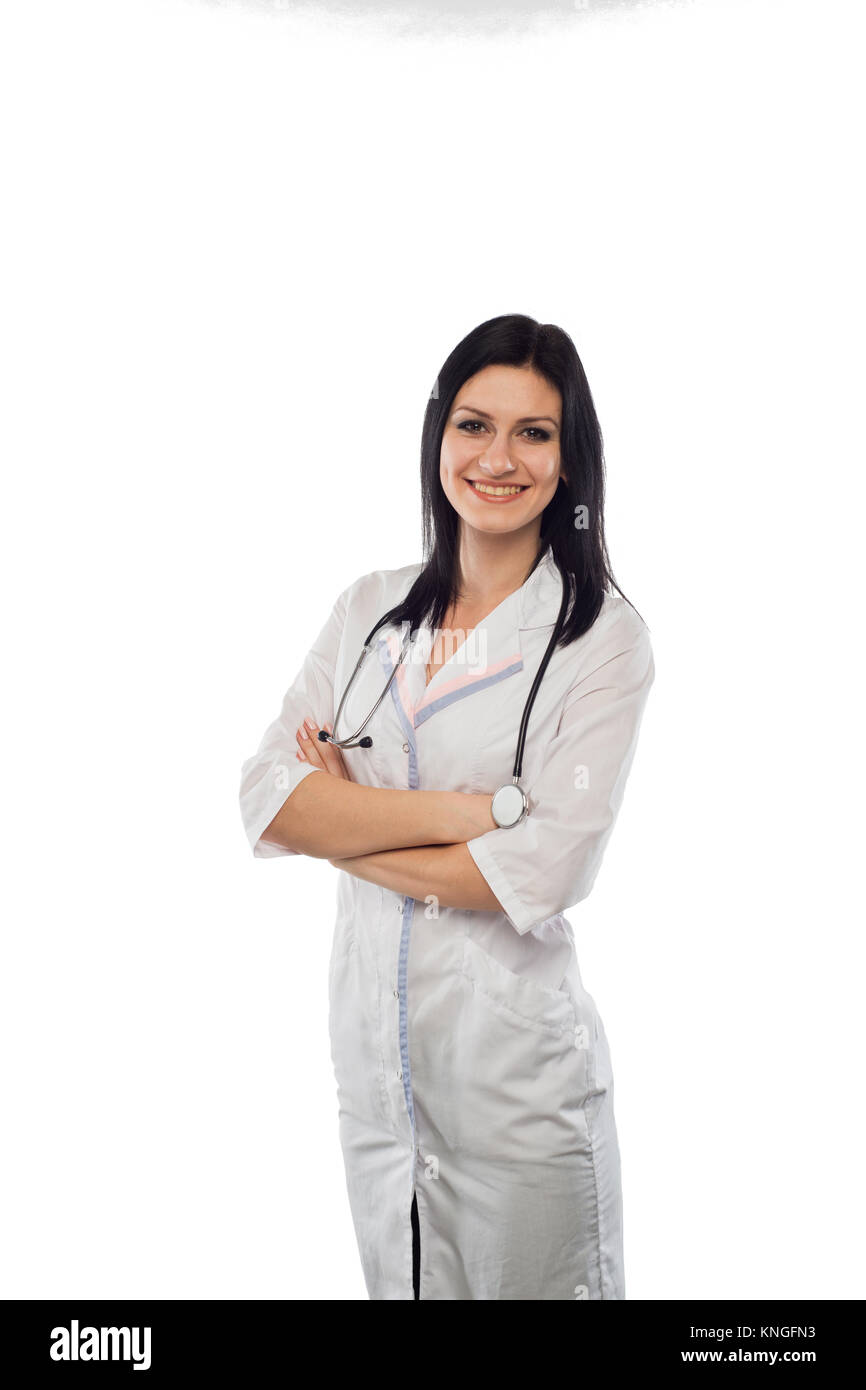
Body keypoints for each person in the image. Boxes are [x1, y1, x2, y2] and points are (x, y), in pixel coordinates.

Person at [238, 313, 655, 1300]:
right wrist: (476, 812)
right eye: (472, 424)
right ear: (438, 437)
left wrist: (343, 820)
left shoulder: (600, 642)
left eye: (533, 432)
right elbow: (267, 798)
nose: (496, 458)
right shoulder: (365, 613)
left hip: (517, 1098)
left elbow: (543, 872)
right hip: (380, 1090)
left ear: (569, 460)